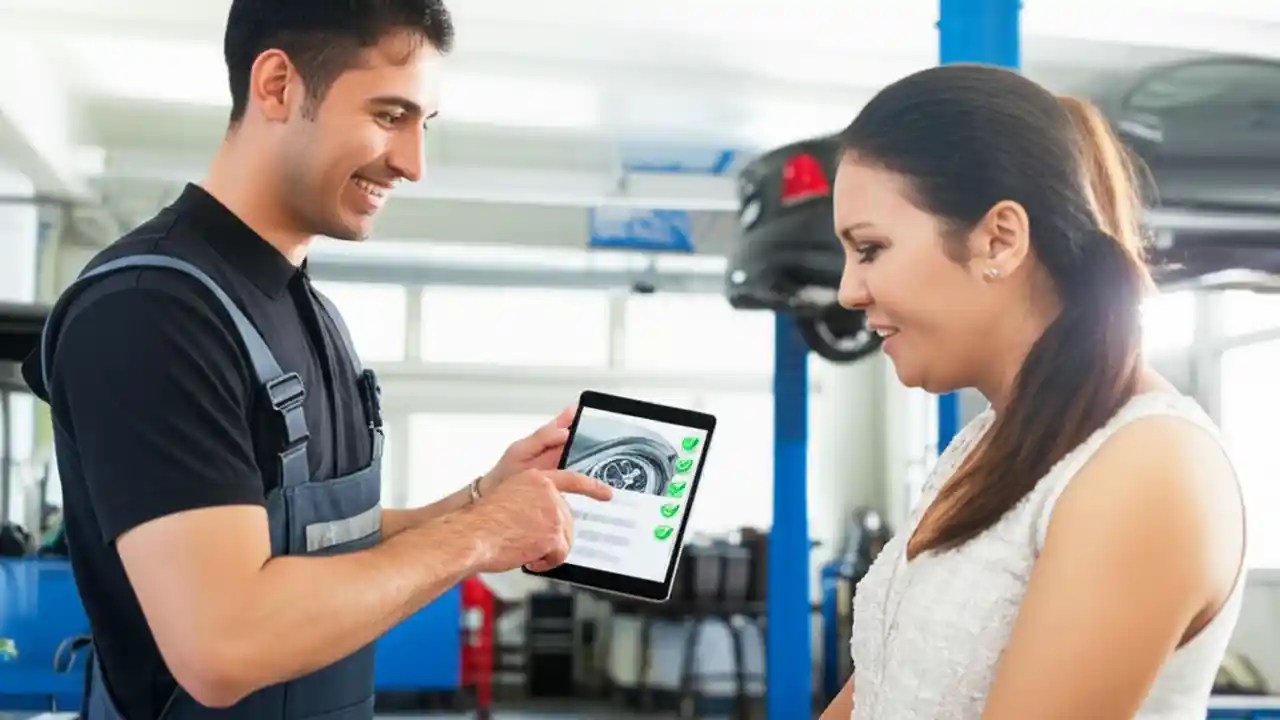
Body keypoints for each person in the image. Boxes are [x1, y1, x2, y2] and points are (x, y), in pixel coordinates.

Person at [20, 1, 612, 718]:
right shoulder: (152, 312)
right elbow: (224, 646)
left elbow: (324, 542)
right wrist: (481, 534)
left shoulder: (306, 312)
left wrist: (484, 498)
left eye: (424, 125)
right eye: (390, 115)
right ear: (277, 86)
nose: (413, 164)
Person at [818, 64, 1246, 719]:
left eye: (871, 249)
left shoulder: (1146, 466)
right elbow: (875, 694)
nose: (849, 291)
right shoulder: (988, 444)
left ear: (1000, 239)